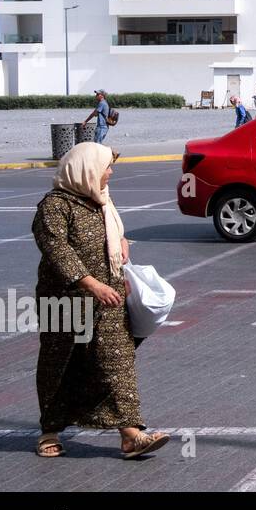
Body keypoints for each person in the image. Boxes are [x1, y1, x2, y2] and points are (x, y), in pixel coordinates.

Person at [31, 142, 170, 459]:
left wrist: (121, 251)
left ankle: (131, 434)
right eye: (106, 167)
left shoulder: (101, 201)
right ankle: (50, 430)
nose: (110, 173)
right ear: (86, 171)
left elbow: (111, 236)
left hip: (109, 295)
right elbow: (57, 251)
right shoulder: (54, 206)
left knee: (117, 361)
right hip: (63, 300)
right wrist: (91, 284)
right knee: (59, 363)